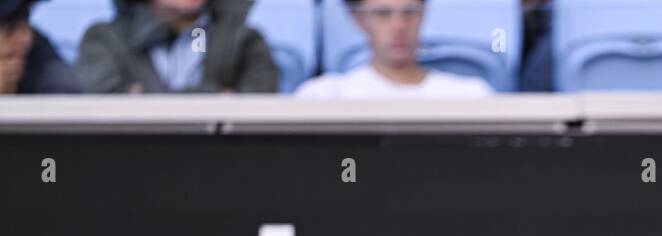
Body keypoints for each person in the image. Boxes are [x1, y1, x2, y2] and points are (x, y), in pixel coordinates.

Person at [295, 0, 492, 99]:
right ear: (358, 19)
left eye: (410, 12)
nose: (399, 26)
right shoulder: (326, 95)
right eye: (382, 14)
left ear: (423, 14)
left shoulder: (470, 93)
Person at [76, 0, 278, 93]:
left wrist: (142, 95)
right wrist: (217, 96)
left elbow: (260, 107)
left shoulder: (243, 40)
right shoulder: (105, 39)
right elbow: (101, 108)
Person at [0, 0, 80, 94]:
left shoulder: (40, 57)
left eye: (25, 25)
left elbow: (62, 87)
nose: (25, 39)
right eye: (10, 28)